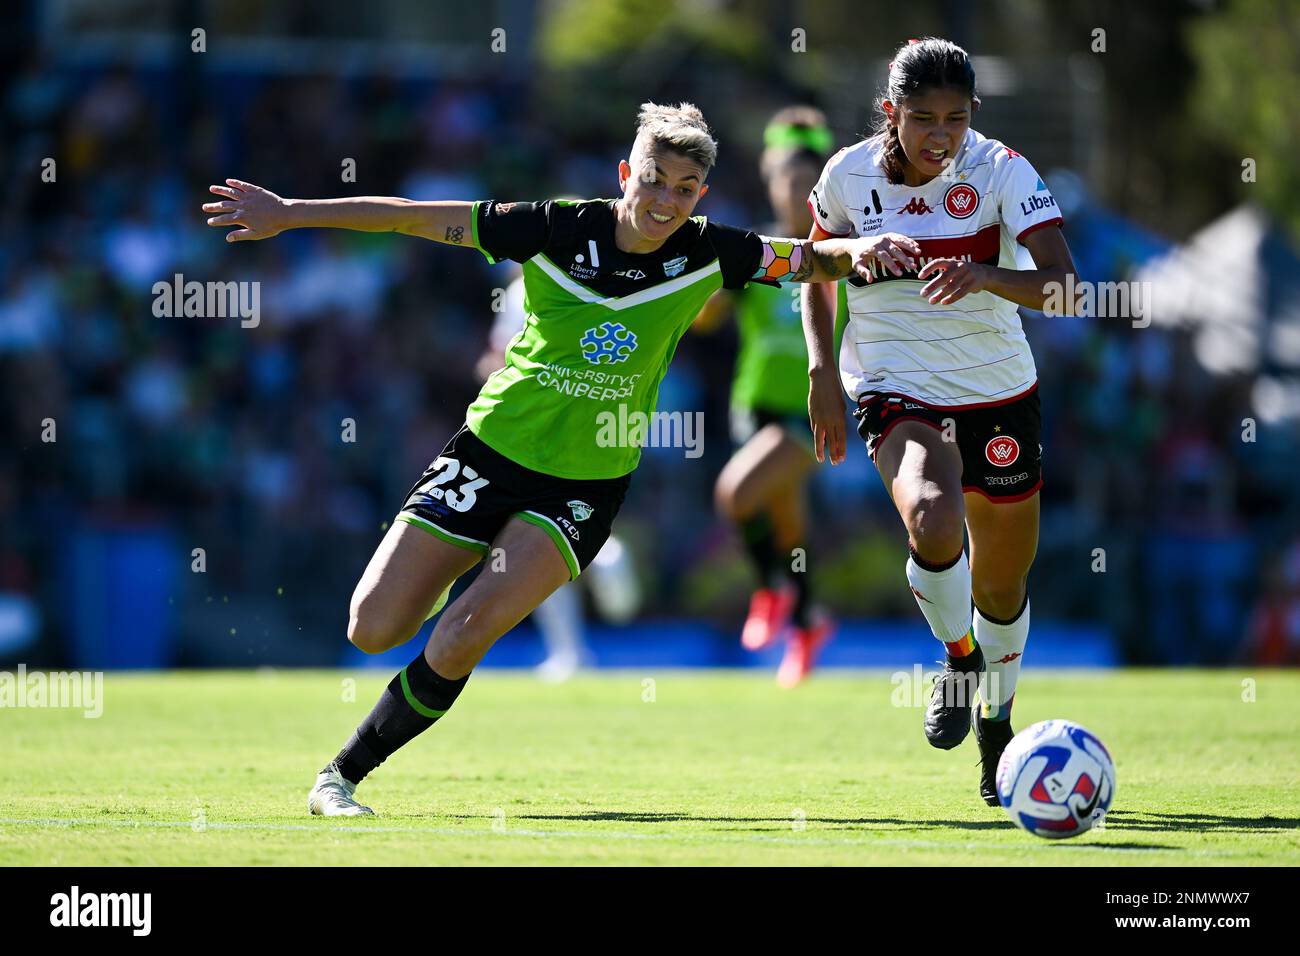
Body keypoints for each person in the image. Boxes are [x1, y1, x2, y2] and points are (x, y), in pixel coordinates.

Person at [204, 101, 906, 816]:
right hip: (490, 452)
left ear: (702, 194)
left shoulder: (711, 251)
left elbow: (811, 259)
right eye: (655, 179)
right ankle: (454, 568)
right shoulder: (551, 226)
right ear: (626, 173)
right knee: (374, 626)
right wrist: (290, 211)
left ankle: (339, 777)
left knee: (463, 634)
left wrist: (868, 250)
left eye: (685, 187)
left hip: (583, 485)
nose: (666, 199)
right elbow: (412, 217)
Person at [802, 38, 1079, 806]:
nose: (938, 135)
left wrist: (985, 274)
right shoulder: (847, 175)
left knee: (1000, 580)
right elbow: (814, 271)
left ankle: (997, 725)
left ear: (973, 116)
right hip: (895, 387)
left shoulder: (1001, 170)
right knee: (930, 515)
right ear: (890, 113)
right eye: (921, 118)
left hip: (998, 394)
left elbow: (1066, 290)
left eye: (954, 119)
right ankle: (960, 664)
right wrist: (823, 371)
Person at [695, 106, 844, 686]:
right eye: (788, 180)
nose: (797, 191)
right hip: (749, 406)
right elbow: (706, 320)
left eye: (809, 183)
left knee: (735, 495)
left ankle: (770, 591)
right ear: (771, 183)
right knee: (787, 523)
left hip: (809, 411)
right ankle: (808, 622)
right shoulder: (758, 252)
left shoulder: (841, 253)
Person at [475, 265, 643, 682]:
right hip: (604, 425)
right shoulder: (610, 283)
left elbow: (502, 359)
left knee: (526, 540)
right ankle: (602, 566)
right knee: (565, 526)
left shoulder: (522, 289)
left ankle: (571, 645)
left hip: (536, 432)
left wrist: (484, 374)